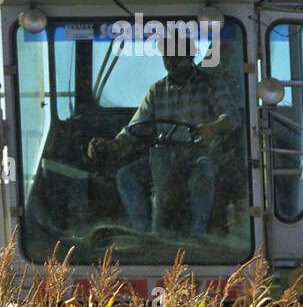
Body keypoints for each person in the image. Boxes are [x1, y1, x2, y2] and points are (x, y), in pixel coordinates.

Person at [87, 30, 237, 236]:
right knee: (126, 176)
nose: (171, 62)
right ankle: (144, 233)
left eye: (177, 56)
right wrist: (113, 144)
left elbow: (231, 119)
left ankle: (198, 236)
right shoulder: (156, 91)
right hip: (163, 160)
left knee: (202, 176)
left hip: (200, 156)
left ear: (190, 55)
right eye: (167, 56)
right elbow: (136, 127)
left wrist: (212, 128)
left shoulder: (211, 85)